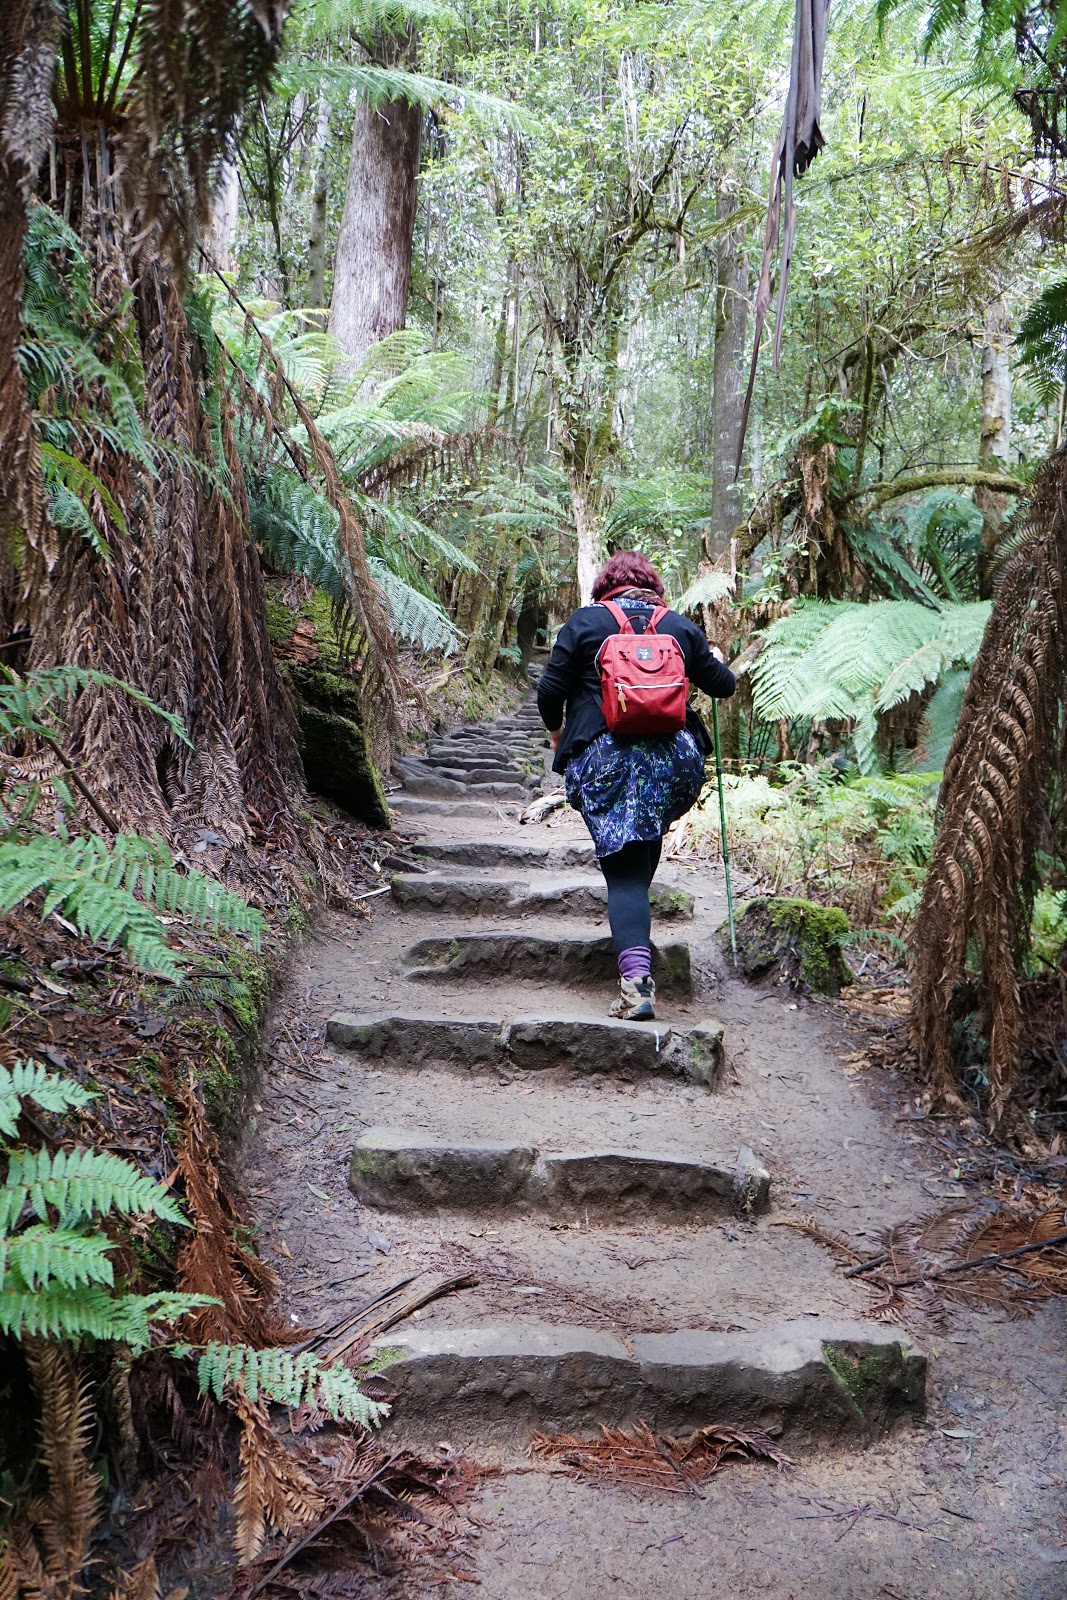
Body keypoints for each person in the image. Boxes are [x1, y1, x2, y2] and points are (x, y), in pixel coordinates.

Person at [537, 551, 735, 1021]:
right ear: (652, 588)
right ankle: (634, 933)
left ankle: (637, 985)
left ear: (604, 588)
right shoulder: (679, 627)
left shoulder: (584, 623)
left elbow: (549, 692)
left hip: (605, 759)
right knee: (642, 843)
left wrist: (559, 737)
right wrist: (712, 658)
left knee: (624, 873)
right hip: (674, 761)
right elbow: (723, 686)